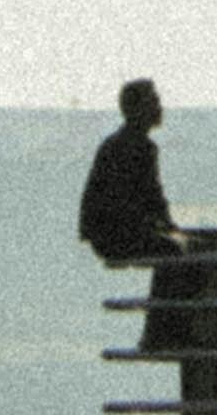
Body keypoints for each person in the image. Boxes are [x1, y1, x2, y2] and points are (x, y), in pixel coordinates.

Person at [75, 79, 187, 356]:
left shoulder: (118, 143)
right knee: (174, 254)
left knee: (175, 251)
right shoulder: (138, 147)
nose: (160, 107)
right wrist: (169, 230)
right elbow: (150, 199)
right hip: (115, 235)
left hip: (110, 233)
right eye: (154, 102)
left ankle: (166, 331)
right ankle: (160, 334)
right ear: (139, 109)